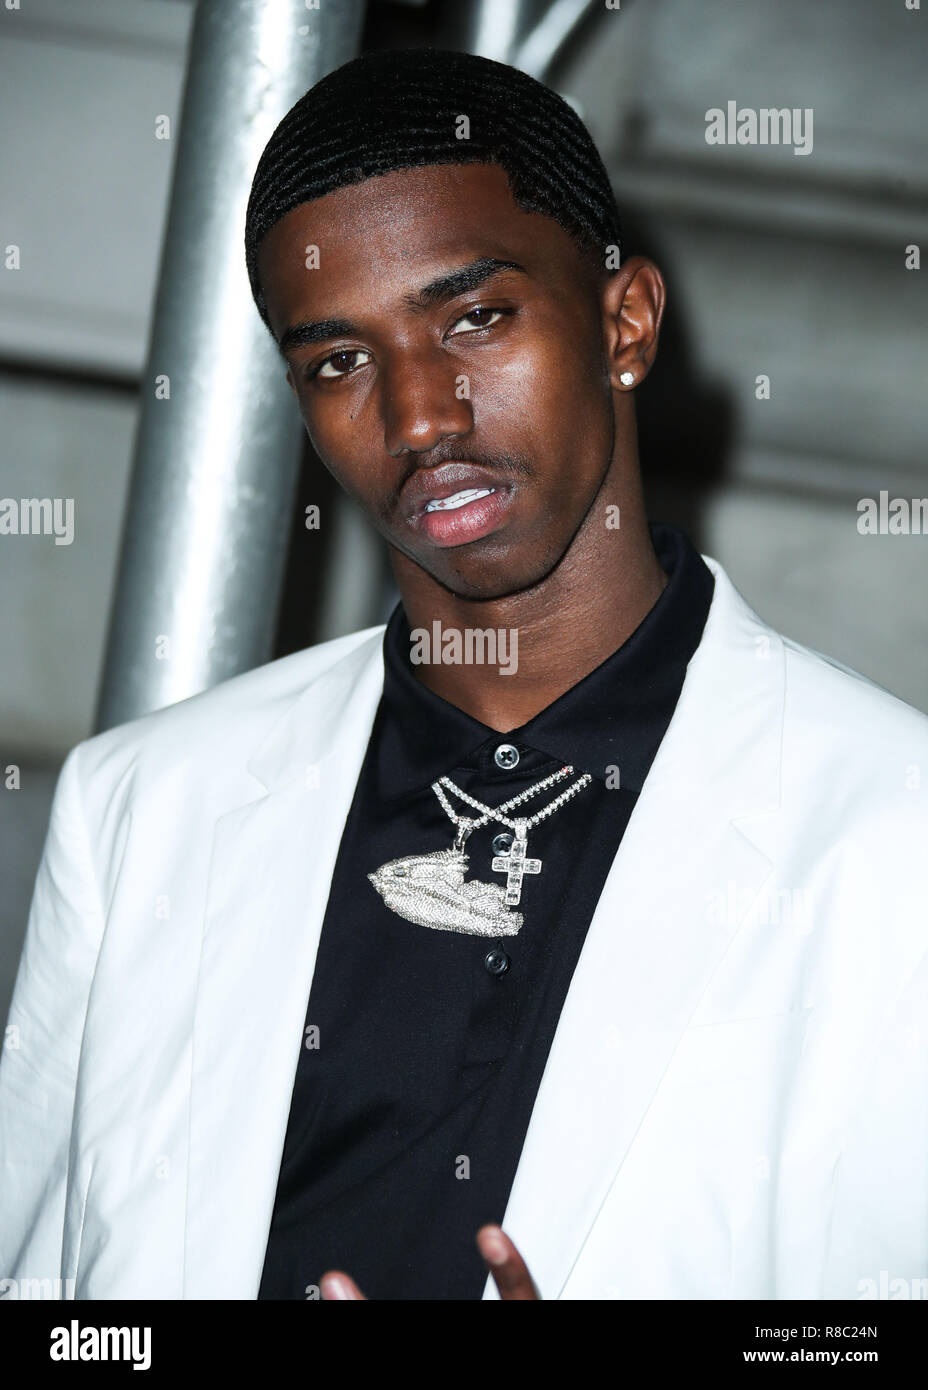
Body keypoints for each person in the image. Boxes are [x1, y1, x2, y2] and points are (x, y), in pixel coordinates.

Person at [1, 48, 926, 1303]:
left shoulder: (889, 828)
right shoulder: (140, 811)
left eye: (475, 318)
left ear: (623, 324)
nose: (421, 415)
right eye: (338, 361)